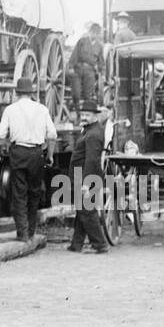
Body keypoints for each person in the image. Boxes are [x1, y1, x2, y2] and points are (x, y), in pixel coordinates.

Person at [0, 75, 58, 248]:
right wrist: (49, 155)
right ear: (32, 93)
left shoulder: (10, 110)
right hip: (37, 153)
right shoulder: (42, 109)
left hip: (18, 152)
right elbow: (52, 135)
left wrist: (0, 153)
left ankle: (22, 233)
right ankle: (31, 231)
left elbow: (0, 136)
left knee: (19, 193)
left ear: (16, 92)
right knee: (34, 192)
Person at [67, 100, 110, 253]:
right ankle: (76, 244)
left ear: (95, 116)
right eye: (82, 114)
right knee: (82, 210)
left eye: (87, 115)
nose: (84, 117)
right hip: (82, 175)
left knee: (87, 211)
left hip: (86, 177)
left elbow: (92, 160)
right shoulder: (89, 130)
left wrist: (86, 183)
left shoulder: (93, 134)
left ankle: (100, 244)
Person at [67, 22, 103, 110]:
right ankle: (78, 115)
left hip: (90, 72)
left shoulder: (99, 46)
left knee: (88, 95)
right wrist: (71, 67)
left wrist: (101, 73)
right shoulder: (82, 41)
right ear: (89, 32)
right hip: (78, 70)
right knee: (76, 94)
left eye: (96, 33)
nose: (93, 34)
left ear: (98, 34)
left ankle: (86, 114)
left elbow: (101, 61)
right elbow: (74, 54)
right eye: (92, 32)